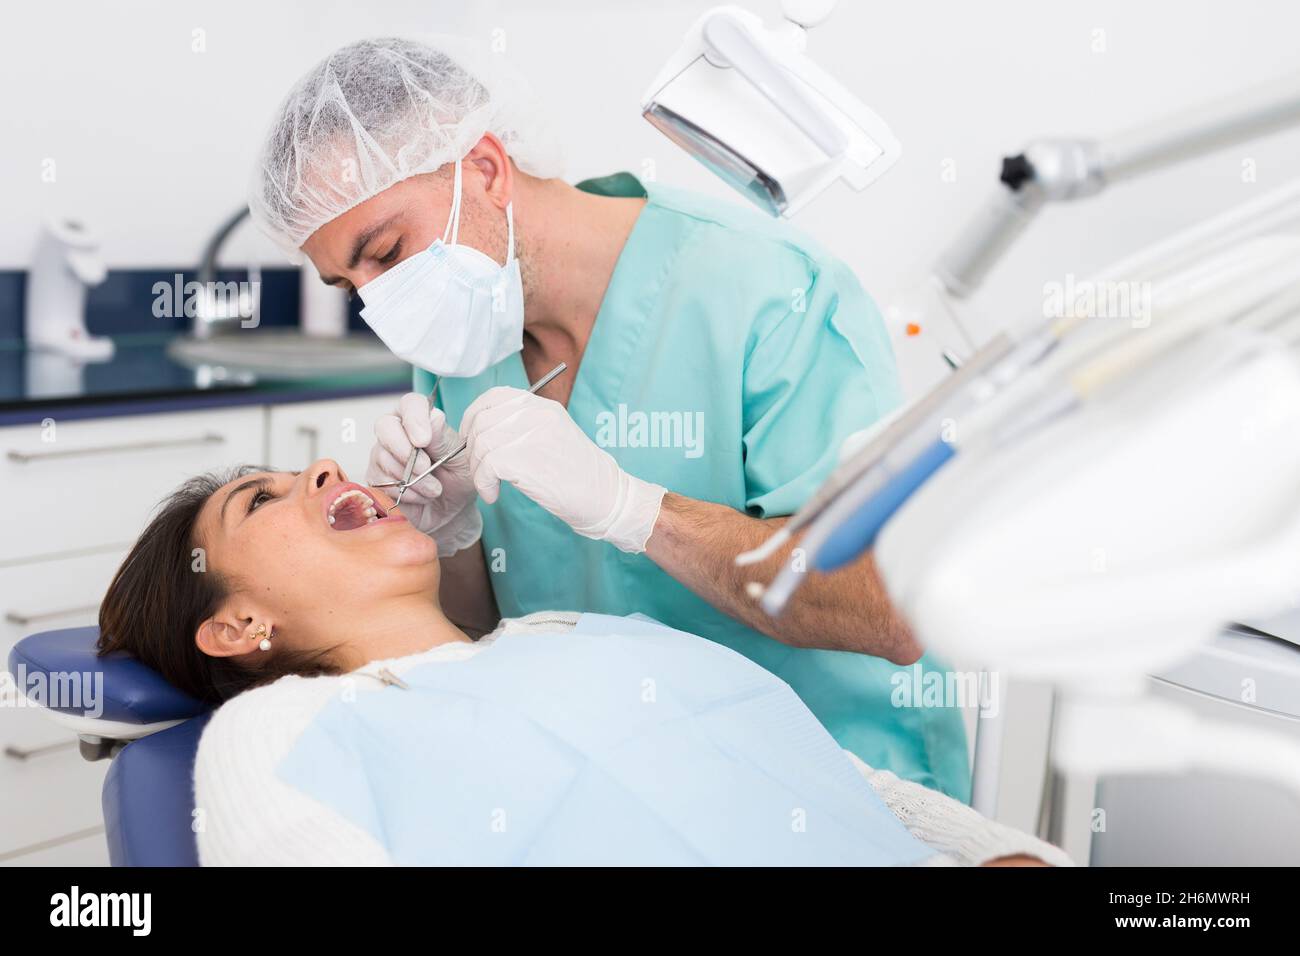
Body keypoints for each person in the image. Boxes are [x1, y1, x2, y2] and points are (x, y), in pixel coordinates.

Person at [247, 37, 968, 800]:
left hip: (828, 785)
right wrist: (451, 540)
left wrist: (635, 510)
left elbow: (885, 611)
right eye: (346, 282)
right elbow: (484, 627)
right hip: (621, 784)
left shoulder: (766, 291)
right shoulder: (463, 334)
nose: (377, 301)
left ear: (486, 171)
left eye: (385, 253)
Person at [97, 462, 1068, 866]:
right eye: (258, 502)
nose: (320, 471)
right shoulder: (276, 731)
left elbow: (851, 788)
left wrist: (1002, 852)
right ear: (234, 626)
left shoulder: (581, 630)